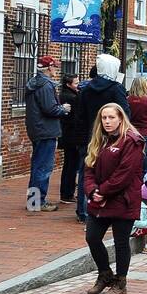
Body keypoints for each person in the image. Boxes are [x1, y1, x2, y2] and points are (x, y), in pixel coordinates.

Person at [82, 103, 144, 294]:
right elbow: (88, 169)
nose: (107, 122)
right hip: (100, 200)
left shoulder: (131, 140)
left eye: (111, 118)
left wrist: (104, 191)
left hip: (123, 199)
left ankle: (121, 280)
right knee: (92, 237)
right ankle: (104, 274)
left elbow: (124, 173)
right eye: (104, 118)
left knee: (121, 242)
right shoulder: (99, 141)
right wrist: (92, 190)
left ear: (120, 119)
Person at [73, 55, 131, 223]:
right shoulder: (116, 89)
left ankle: (83, 210)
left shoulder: (86, 89)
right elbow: (125, 113)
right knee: (108, 173)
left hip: (89, 137)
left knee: (87, 173)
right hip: (109, 138)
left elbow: (80, 116)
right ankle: (103, 207)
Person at [23, 55, 71, 212]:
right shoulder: (45, 86)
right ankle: (37, 202)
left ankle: (34, 200)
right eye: (55, 67)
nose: (56, 70)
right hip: (45, 130)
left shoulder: (35, 83)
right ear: (49, 68)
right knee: (43, 167)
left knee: (37, 166)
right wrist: (63, 109)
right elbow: (50, 109)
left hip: (37, 129)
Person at [58, 72, 81, 207]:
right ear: (68, 84)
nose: (78, 85)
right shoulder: (71, 97)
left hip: (67, 135)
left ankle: (66, 193)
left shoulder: (65, 95)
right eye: (76, 83)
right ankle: (67, 193)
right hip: (71, 135)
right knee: (71, 165)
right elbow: (75, 117)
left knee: (68, 165)